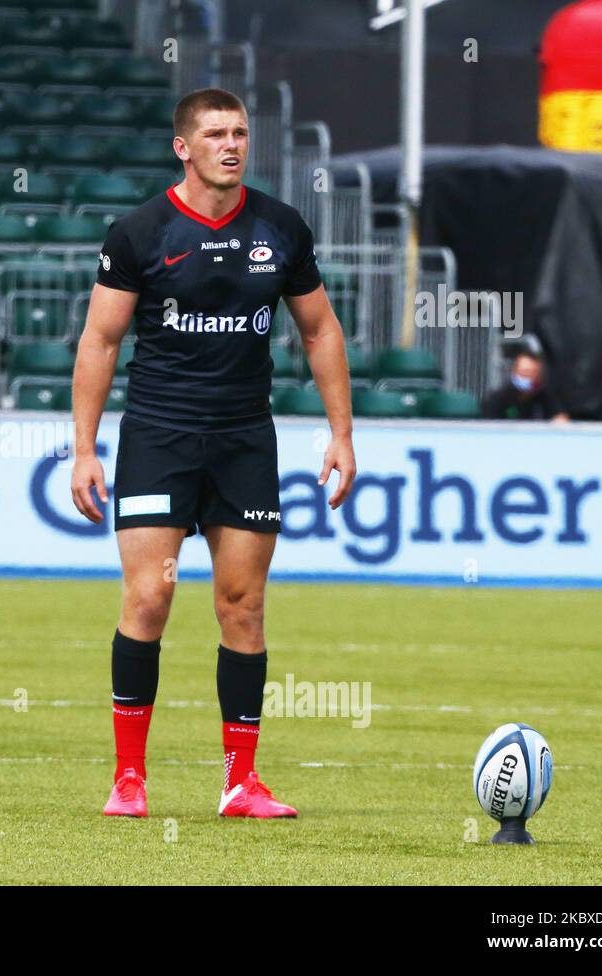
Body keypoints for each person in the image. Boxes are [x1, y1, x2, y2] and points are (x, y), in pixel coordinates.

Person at [69, 88, 356, 819]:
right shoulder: (139, 231)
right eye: (216, 134)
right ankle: (128, 779)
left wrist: (341, 434)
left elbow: (320, 330)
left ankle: (241, 782)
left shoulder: (281, 227)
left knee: (244, 607)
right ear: (183, 147)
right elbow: (100, 341)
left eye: (240, 133)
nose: (232, 145)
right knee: (149, 597)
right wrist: (83, 450)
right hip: (159, 437)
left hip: (243, 440)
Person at [480, 341, 568, 421]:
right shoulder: (497, 400)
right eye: (525, 372)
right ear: (514, 372)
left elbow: (560, 418)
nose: (529, 377)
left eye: (534, 373)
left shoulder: (547, 398)